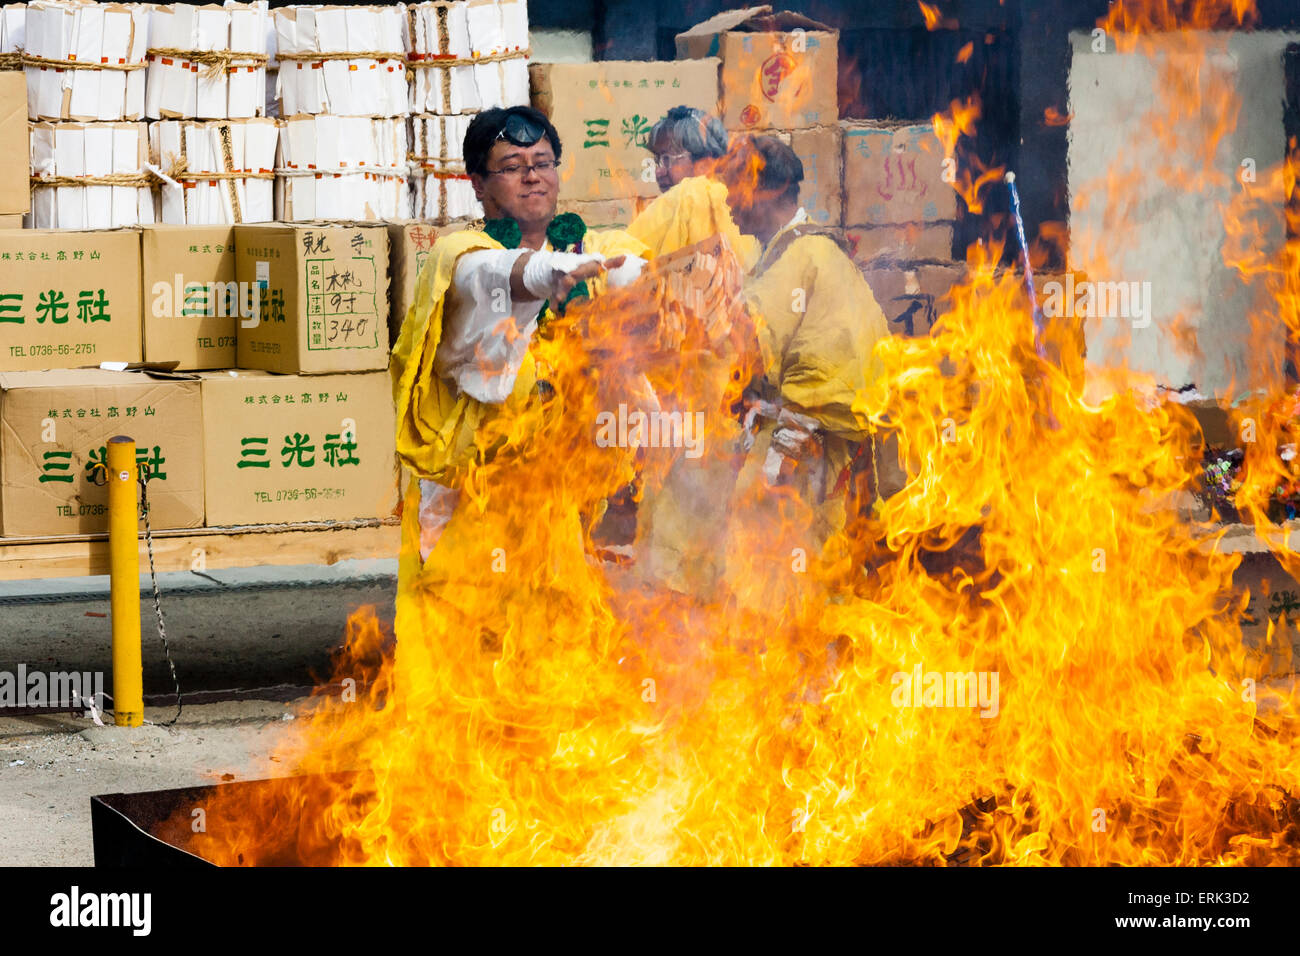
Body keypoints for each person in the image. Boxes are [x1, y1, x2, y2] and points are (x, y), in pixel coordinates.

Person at [390, 106, 651, 590]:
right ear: (478, 184)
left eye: (543, 162)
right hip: (473, 502)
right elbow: (499, 275)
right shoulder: (460, 257)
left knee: (559, 644)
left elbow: (629, 267)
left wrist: (665, 280)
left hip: (558, 498)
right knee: (464, 651)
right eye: (512, 166)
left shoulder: (588, 247)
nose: (532, 177)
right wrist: (545, 273)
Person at [638, 135, 891, 608]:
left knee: (765, 562)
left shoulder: (799, 256)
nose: (727, 202)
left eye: (735, 186)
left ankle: (770, 658)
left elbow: (747, 346)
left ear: (767, 191)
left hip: (806, 436)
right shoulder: (805, 249)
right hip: (828, 435)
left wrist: (679, 309)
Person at [628, 107, 760, 269]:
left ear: (705, 162)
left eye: (667, 160)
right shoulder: (736, 198)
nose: (658, 171)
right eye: (658, 161)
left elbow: (621, 255)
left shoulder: (696, 194)